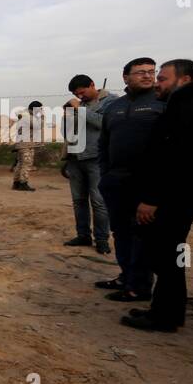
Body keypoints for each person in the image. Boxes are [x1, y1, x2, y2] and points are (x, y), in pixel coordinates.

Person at [121, 60, 193, 332]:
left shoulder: (188, 109)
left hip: (173, 199)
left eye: (163, 78)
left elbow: (175, 161)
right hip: (181, 197)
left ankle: (163, 317)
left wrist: (151, 199)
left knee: (166, 260)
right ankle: (167, 310)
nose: (157, 82)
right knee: (170, 259)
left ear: (185, 79)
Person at [98, 57, 166, 303]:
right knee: (121, 232)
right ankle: (126, 277)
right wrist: (105, 174)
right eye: (140, 72)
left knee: (143, 235)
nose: (147, 76)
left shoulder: (162, 103)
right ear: (126, 77)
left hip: (147, 183)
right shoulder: (114, 107)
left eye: (151, 72)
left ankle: (140, 285)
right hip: (116, 181)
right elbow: (104, 143)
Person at [64, 75, 115, 252]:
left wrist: (80, 109)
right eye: (77, 95)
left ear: (93, 85)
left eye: (82, 92)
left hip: (97, 159)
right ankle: (83, 235)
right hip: (75, 159)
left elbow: (104, 123)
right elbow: (68, 133)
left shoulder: (111, 101)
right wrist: (67, 117)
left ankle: (101, 239)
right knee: (78, 201)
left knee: (99, 202)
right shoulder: (79, 105)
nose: (80, 97)